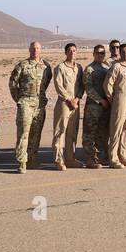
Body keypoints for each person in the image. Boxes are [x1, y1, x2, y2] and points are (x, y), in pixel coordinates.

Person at [9, 41, 52, 173]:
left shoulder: (46, 66)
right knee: (24, 133)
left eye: (38, 48)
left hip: (40, 104)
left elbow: (47, 81)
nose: (35, 51)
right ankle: (22, 162)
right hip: (26, 102)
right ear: (29, 49)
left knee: (36, 133)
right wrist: (19, 99)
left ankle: (33, 160)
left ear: (41, 50)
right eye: (33, 48)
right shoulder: (22, 65)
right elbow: (12, 83)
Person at [102, 44, 126, 166]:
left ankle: (124, 155)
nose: (125, 54)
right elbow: (107, 85)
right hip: (119, 100)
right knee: (116, 129)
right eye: (123, 51)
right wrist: (112, 99)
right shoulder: (116, 67)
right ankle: (113, 158)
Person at [50, 42, 84, 170]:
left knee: (72, 132)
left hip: (76, 104)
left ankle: (70, 158)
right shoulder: (60, 68)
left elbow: (81, 85)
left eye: (74, 50)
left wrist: (77, 98)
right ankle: (59, 159)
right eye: (69, 50)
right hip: (64, 103)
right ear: (65, 52)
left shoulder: (79, 68)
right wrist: (70, 100)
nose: (72, 53)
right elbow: (59, 86)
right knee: (60, 131)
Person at [80, 44, 113, 168]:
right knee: (90, 133)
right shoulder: (89, 69)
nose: (100, 55)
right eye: (98, 53)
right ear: (93, 54)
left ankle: (102, 157)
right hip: (93, 106)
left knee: (103, 133)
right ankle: (90, 158)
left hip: (106, 106)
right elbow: (88, 89)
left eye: (102, 53)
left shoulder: (106, 67)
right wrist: (100, 100)